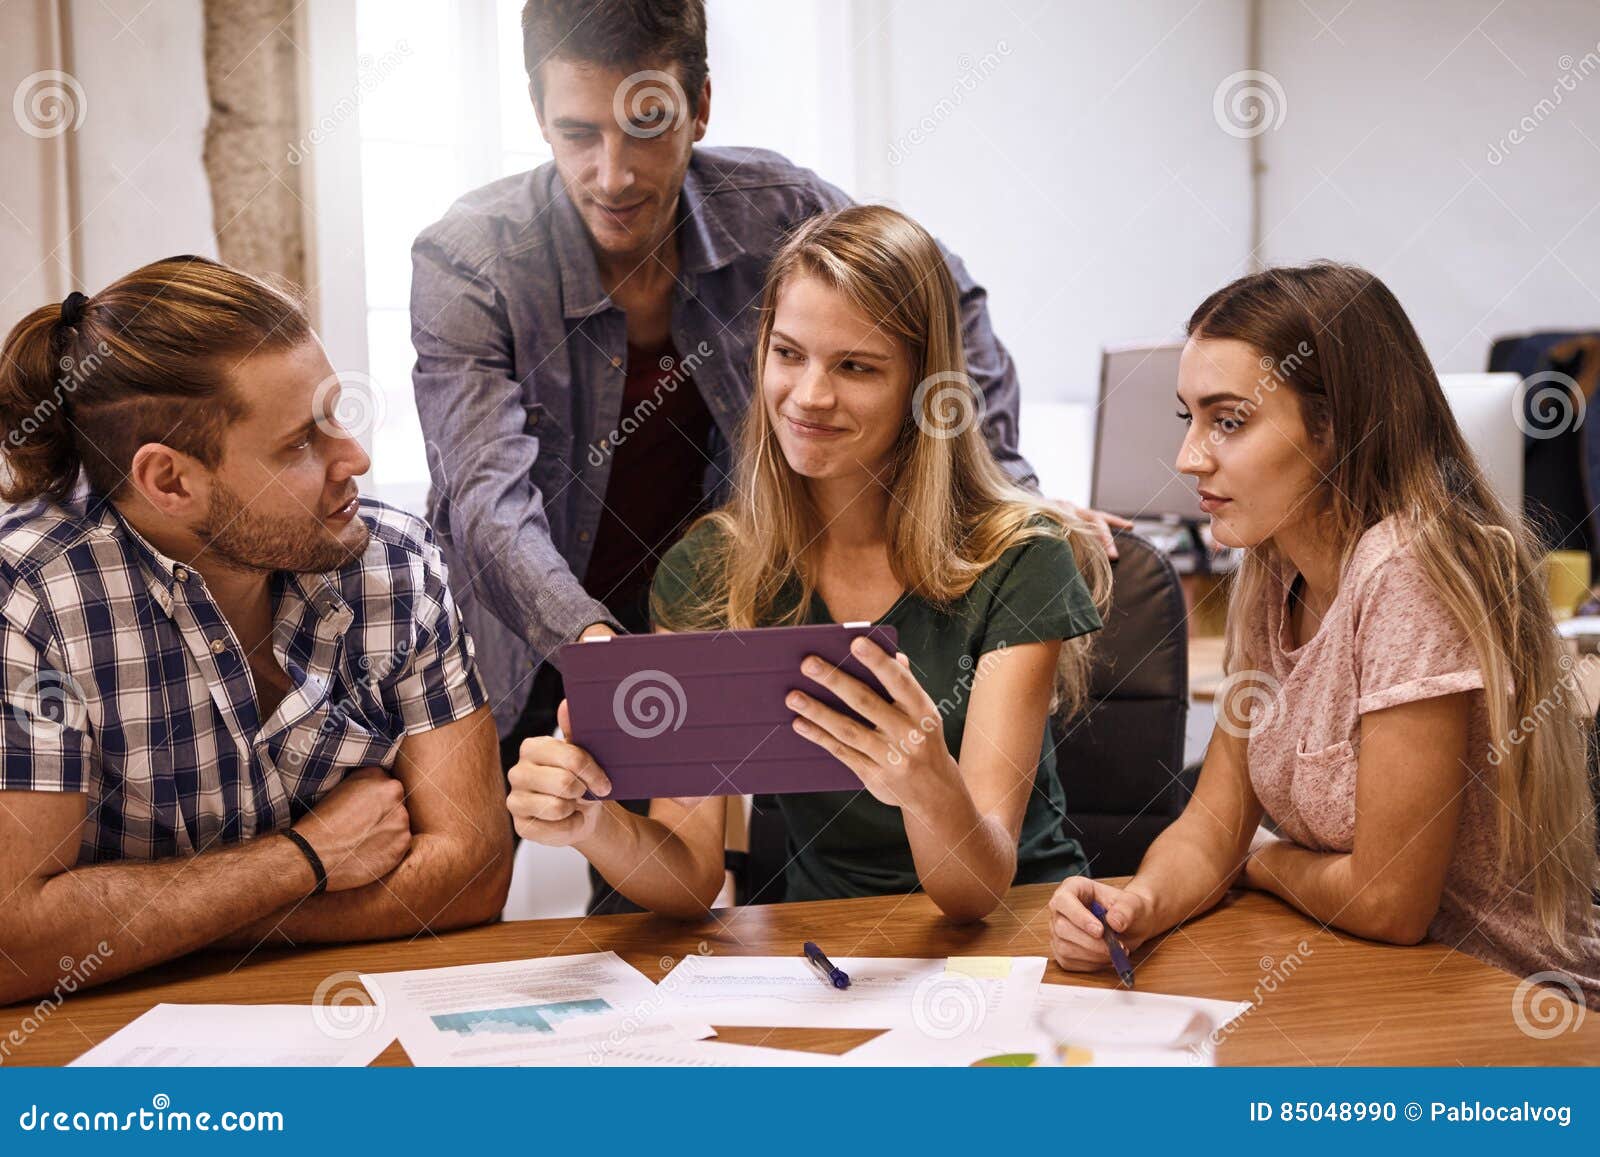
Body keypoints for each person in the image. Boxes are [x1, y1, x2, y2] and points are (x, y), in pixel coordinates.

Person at [409, 0, 1128, 913]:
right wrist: (603, 666)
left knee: (646, 911)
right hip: (566, 611)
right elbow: (482, 499)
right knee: (493, 903)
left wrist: (998, 492)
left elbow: (936, 300)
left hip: (755, 574)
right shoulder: (472, 258)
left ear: (700, 105)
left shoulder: (778, 209)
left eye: (647, 126)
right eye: (578, 133)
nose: (613, 173)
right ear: (537, 113)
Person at [504, 205, 1108, 921]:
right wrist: (594, 825)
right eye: (789, 354)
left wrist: (924, 781)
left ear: (925, 386)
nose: (811, 395)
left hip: (1016, 930)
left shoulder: (1020, 557)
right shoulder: (713, 566)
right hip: (825, 944)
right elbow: (692, 872)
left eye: (856, 366)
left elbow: (976, 888)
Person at [1048, 263, 1600, 1008]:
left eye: (1230, 420)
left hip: (1507, 1003)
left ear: (1335, 424)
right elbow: (1213, 826)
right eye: (1190, 418)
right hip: (1382, 988)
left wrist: (1263, 861)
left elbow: (1387, 902)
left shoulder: (1406, 570)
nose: (1189, 456)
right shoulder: (1272, 564)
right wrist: (1137, 906)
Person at [0, 257, 511, 1004]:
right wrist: (307, 856)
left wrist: (169, 920)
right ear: (169, 481)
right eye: (301, 442)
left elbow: (473, 873)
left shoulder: (394, 562)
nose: (355, 457)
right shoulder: (30, 598)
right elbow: (16, 943)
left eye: (337, 412)